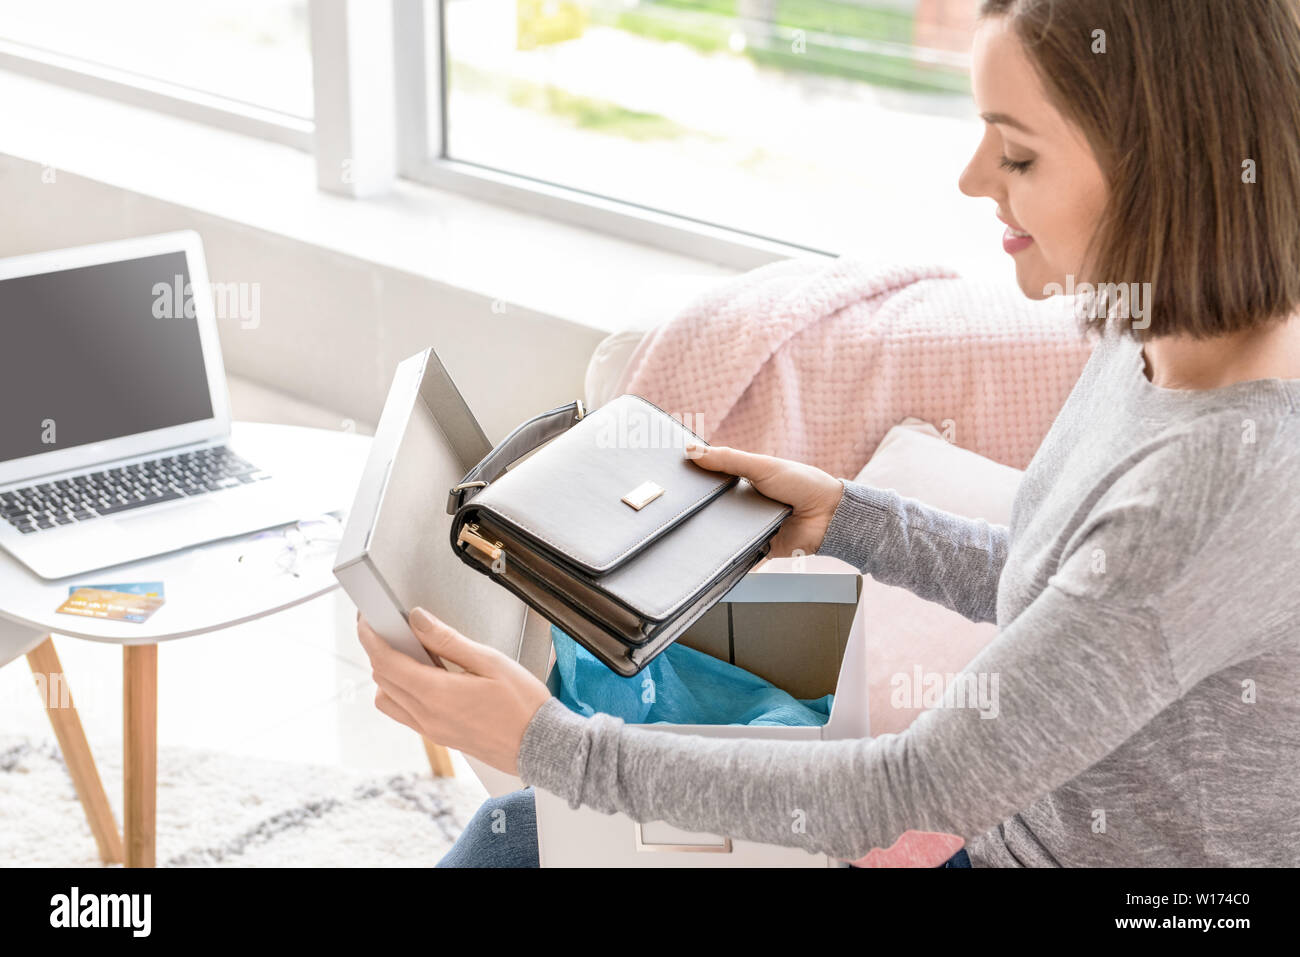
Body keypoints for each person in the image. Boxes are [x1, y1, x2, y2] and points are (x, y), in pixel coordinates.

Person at [358, 0, 1300, 867]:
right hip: (1010, 835)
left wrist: (550, 748)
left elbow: (910, 790)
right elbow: (1068, 589)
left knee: (517, 842)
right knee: (516, 838)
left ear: (1164, 169)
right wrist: (848, 517)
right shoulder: (1156, 327)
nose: (974, 178)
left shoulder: (1222, 482)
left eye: (1017, 156)